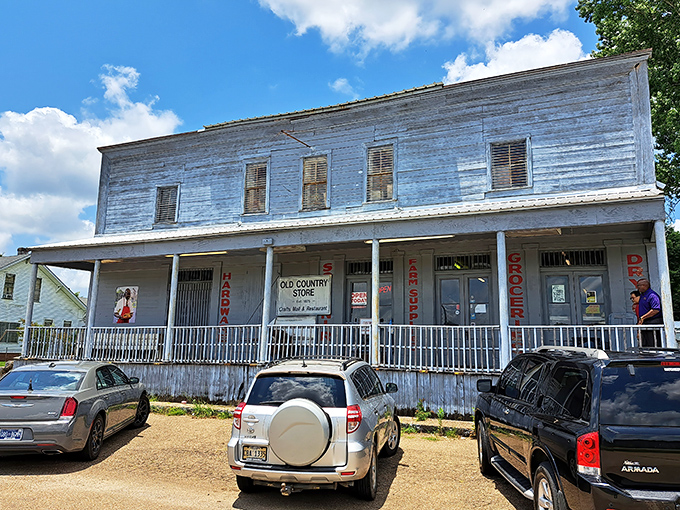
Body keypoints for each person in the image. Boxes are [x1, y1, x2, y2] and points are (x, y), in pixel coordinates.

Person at [636, 279, 663, 348]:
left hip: (652, 321)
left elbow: (656, 310)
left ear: (645, 285)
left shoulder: (652, 295)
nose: (637, 287)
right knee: (644, 342)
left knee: (652, 342)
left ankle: (654, 356)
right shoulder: (642, 295)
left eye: (638, 285)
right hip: (645, 321)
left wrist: (643, 317)